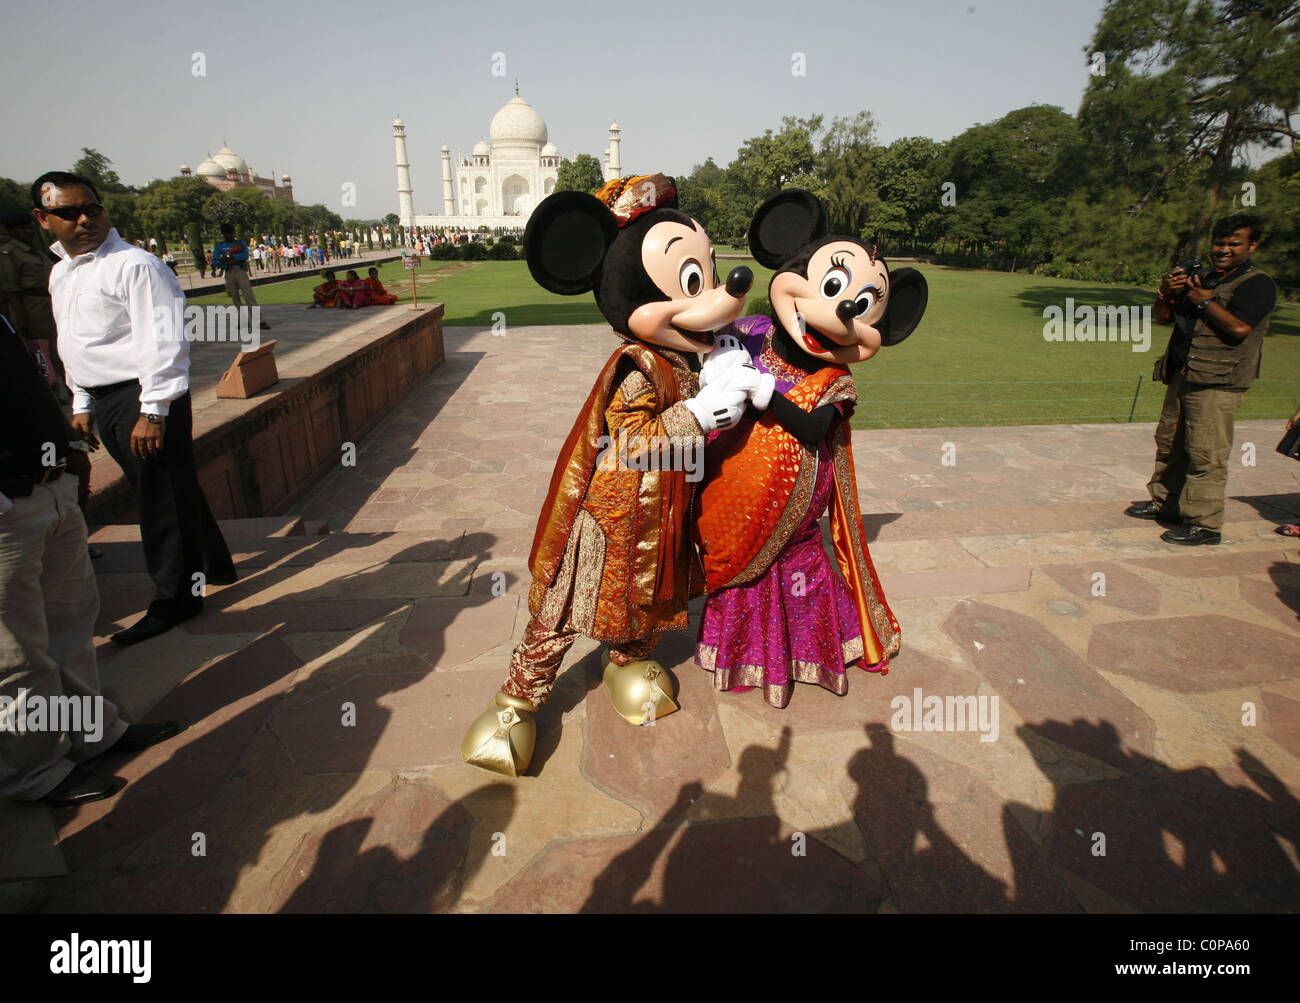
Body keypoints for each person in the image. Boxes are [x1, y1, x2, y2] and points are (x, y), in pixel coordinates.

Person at [34, 170, 237, 646]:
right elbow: (75, 343)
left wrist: (153, 411)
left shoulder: (135, 265)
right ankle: (212, 565)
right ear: (44, 219)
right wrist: (82, 401)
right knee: (170, 485)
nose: (85, 219)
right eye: (69, 212)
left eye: (93, 208)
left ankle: (176, 598)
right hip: (107, 397)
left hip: (142, 394)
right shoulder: (62, 271)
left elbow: (163, 340)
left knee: (158, 501)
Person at [0, 308, 180, 807]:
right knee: (14, 652)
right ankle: (34, 770)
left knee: (70, 625)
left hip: (47, 487)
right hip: (10, 501)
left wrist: (65, 454)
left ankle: (90, 731)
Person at [1126, 213, 1278, 546]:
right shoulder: (1204, 277)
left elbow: (1239, 328)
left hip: (1218, 381)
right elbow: (1165, 318)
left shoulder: (1257, 283)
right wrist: (1166, 292)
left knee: (1205, 452)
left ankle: (1204, 524)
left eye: (1233, 243)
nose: (1224, 249)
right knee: (1170, 442)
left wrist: (1205, 301)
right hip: (1183, 373)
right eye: (1219, 242)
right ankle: (1166, 503)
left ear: (1252, 245)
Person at [0, 210, 71, 403]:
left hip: (49, 303)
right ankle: (55, 389)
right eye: (23, 229)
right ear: (12, 232)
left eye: (30, 227)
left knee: (61, 344)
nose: (29, 231)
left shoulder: (35, 251)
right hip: (32, 308)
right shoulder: (9, 253)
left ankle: (69, 385)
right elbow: (12, 288)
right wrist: (21, 318)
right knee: (42, 349)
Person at [212, 224, 271, 331]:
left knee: (249, 296)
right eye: (226, 233)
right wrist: (224, 262)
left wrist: (233, 257)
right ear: (223, 234)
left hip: (240, 270)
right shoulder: (219, 246)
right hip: (229, 271)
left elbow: (245, 255)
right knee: (235, 298)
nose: (229, 235)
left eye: (230, 233)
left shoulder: (239, 243)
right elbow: (215, 260)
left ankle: (259, 321)